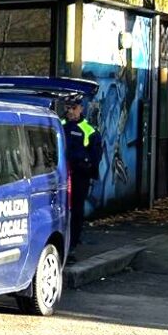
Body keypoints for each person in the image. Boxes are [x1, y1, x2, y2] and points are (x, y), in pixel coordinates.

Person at [63, 94, 102, 252]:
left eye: (74, 108)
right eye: (68, 108)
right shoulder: (60, 125)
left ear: (81, 108)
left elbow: (95, 156)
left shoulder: (89, 131)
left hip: (79, 176)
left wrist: (84, 168)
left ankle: (73, 242)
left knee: (77, 209)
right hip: (62, 174)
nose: (70, 111)